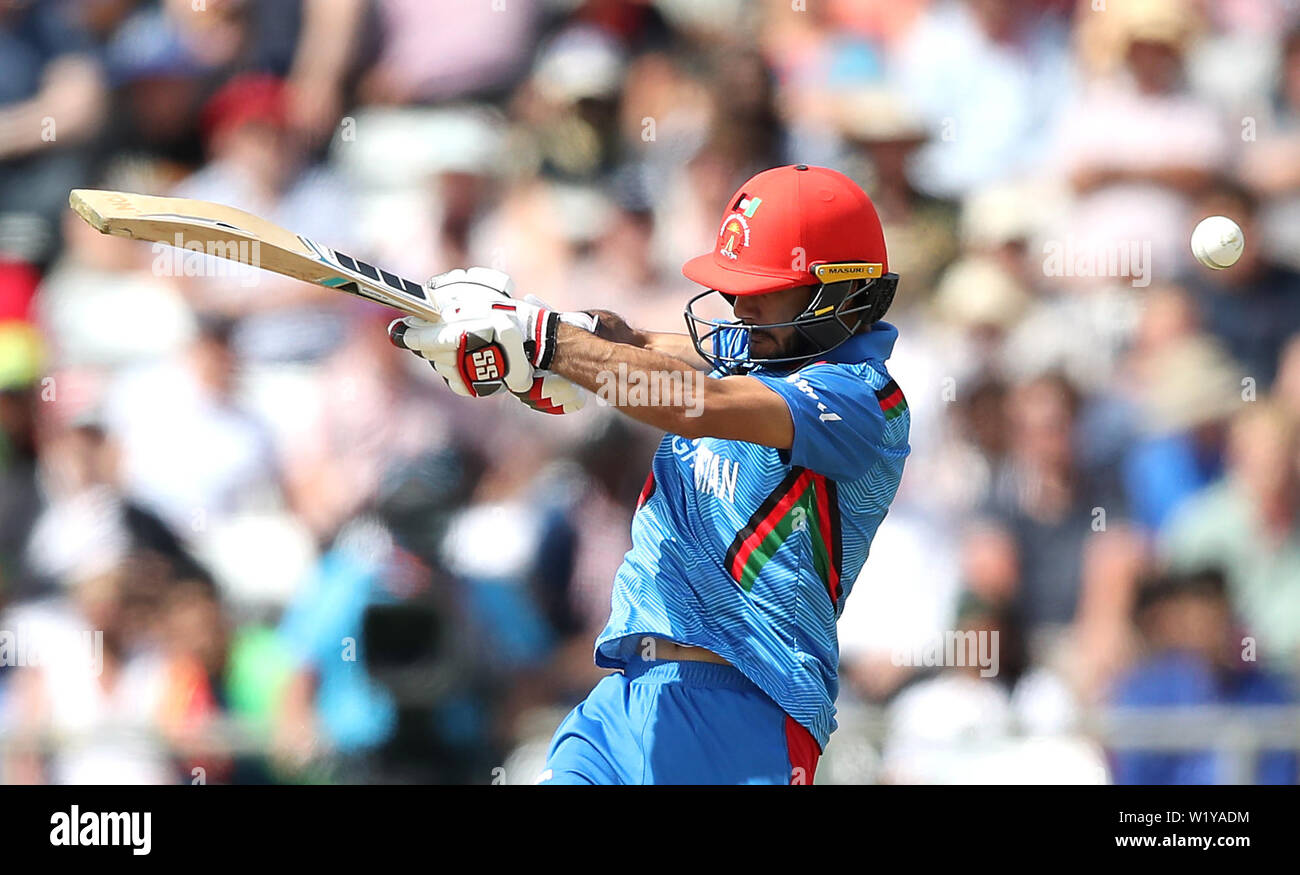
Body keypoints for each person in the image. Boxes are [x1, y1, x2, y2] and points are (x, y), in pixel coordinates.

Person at [389, 164, 910, 784]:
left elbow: (696, 404)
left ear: (838, 293)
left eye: (764, 288)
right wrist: (560, 336)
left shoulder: (861, 401)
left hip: (746, 707)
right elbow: (643, 344)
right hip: (623, 699)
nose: (740, 306)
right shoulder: (760, 347)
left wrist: (549, 345)